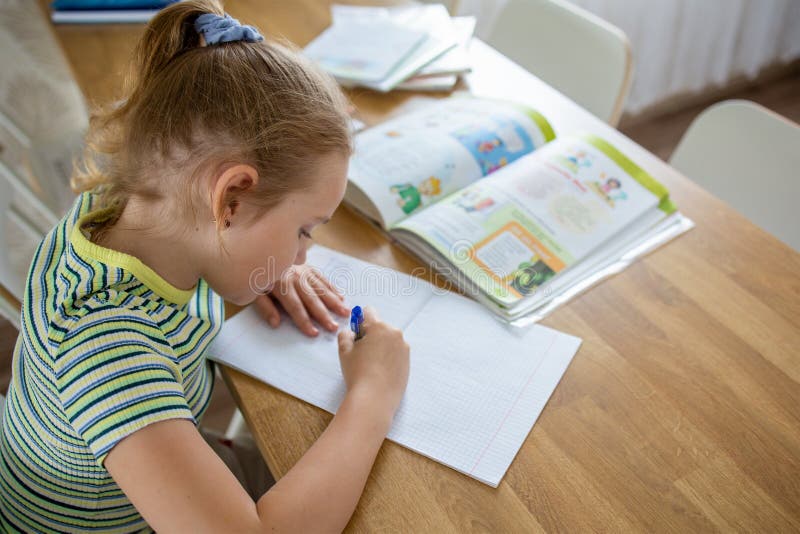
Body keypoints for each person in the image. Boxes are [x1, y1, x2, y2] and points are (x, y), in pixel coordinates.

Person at [0, 1, 410, 532]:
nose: (305, 254)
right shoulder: (106, 345)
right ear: (231, 202)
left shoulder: (129, 209)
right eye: (304, 230)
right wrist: (372, 395)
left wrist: (267, 256)